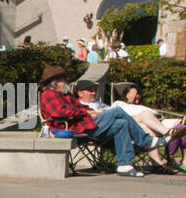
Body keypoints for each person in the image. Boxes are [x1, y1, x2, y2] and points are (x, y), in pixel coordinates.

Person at [38, 64, 171, 177]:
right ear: (55, 82)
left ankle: (125, 164)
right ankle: (146, 141)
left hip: (84, 125)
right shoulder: (49, 94)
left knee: (121, 123)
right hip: (71, 128)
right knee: (118, 111)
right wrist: (86, 112)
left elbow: (79, 106)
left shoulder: (65, 95)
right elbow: (59, 113)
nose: (67, 82)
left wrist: (88, 110)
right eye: (64, 79)